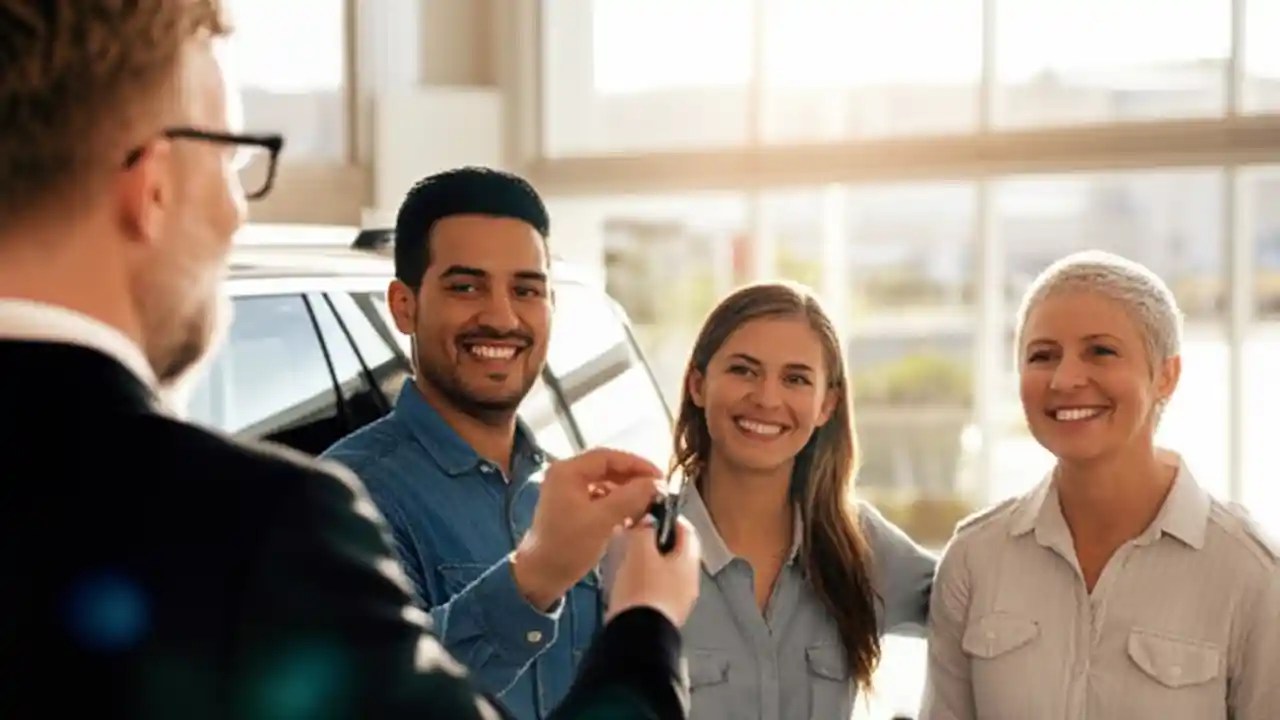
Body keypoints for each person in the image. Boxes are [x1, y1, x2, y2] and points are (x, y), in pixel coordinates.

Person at [0, 2, 702, 718]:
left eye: (529, 289)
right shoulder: (265, 532)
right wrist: (645, 622)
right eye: (232, 161)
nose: (238, 212)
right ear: (151, 189)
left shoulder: (559, 488)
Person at [919, 251, 1280, 720]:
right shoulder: (974, 558)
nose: (1066, 379)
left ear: (1166, 375)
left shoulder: (1250, 573)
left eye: (1101, 351)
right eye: (1042, 355)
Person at [320, 167, 617, 719]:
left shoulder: (569, 494)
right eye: (466, 287)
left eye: (526, 289)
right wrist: (535, 577)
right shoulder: (342, 500)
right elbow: (375, 702)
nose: (502, 317)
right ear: (403, 305)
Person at [604, 281, 937, 719]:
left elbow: (995, 608)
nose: (766, 398)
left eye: (795, 379)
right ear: (698, 385)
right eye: (743, 370)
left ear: (826, 405)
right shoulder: (629, 551)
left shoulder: (863, 546)